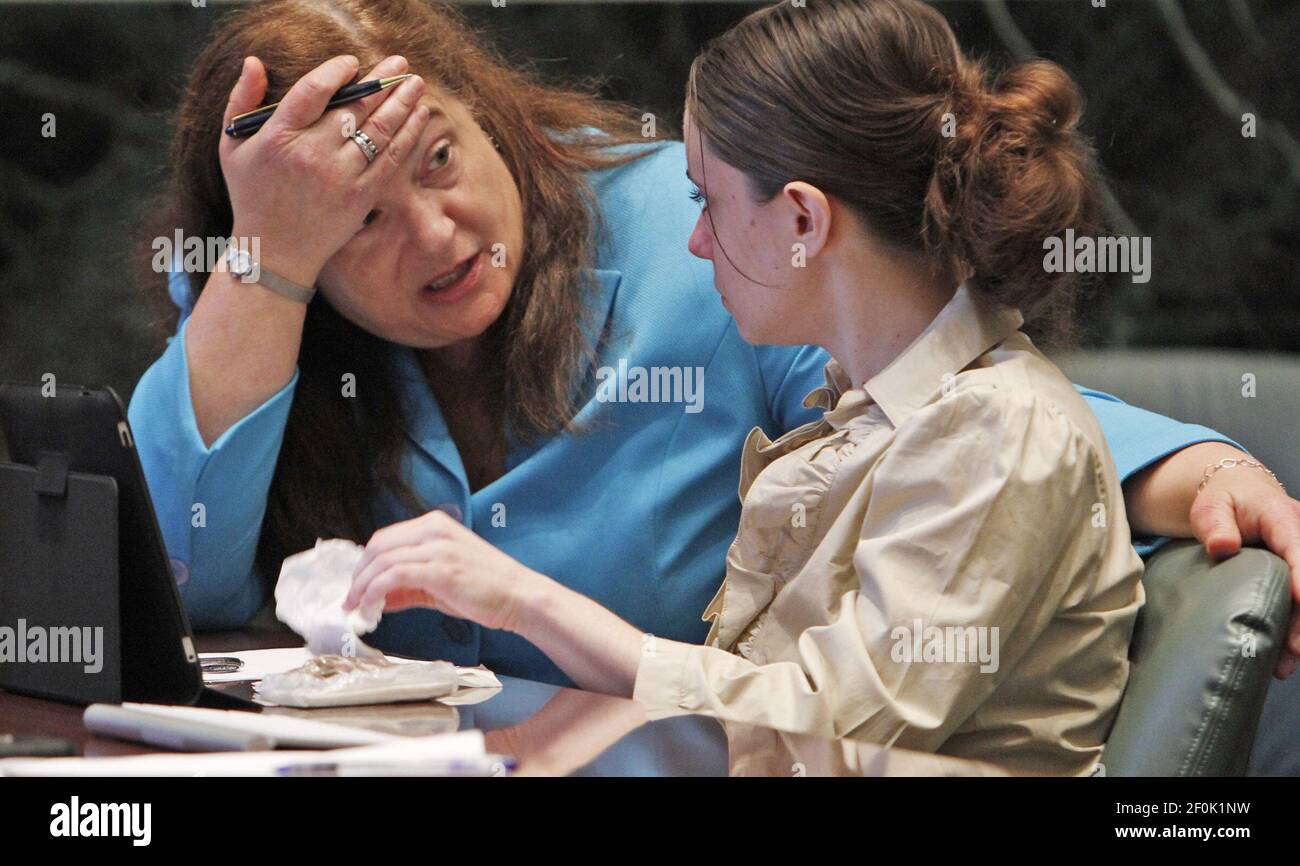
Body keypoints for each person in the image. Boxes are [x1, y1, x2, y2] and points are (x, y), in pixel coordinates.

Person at [130, 0, 1300, 696]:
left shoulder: (700, 236)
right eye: (360, 217)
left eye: (439, 159)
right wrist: (267, 268)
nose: (437, 233)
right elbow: (178, 584)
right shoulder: (259, 297)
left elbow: (944, 404)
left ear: (493, 118)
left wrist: (1207, 469)